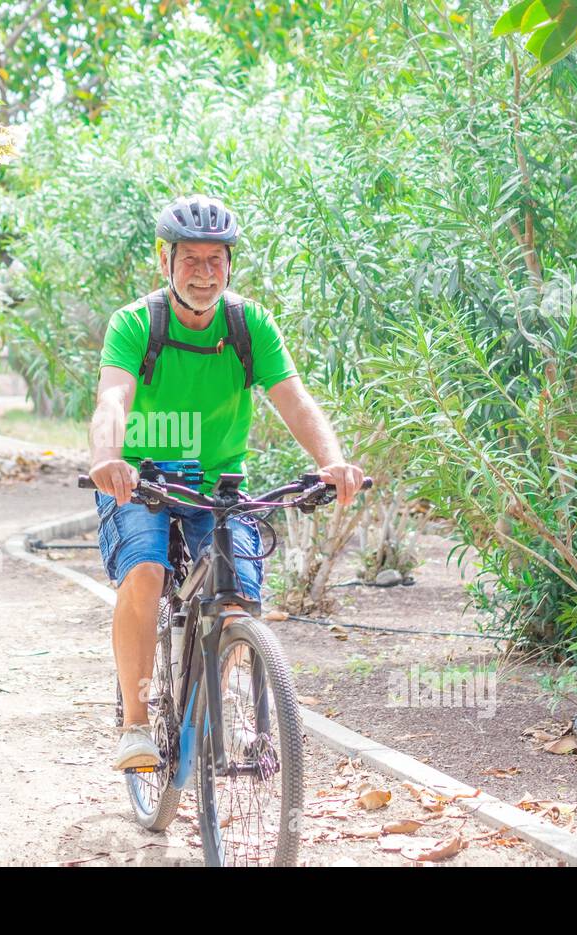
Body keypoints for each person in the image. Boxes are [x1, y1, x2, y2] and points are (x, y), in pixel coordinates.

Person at [87, 195, 366, 771]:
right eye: (191, 259)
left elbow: (293, 398)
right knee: (145, 569)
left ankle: (217, 693)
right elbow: (113, 397)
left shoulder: (248, 323)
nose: (204, 273)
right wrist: (108, 457)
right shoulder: (137, 322)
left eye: (216, 260)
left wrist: (332, 460)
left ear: (230, 265)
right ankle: (137, 725)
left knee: (240, 599)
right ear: (164, 259)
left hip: (219, 484)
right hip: (141, 478)